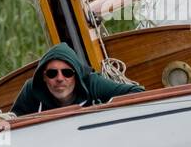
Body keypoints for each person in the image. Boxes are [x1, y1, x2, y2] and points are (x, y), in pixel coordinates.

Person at [9, 43, 144, 116]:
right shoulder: (32, 89)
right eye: (52, 73)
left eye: (67, 73)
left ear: (77, 76)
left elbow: (137, 92)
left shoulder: (92, 83)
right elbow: (12, 120)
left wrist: (104, 112)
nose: (60, 78)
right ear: (43, 77)